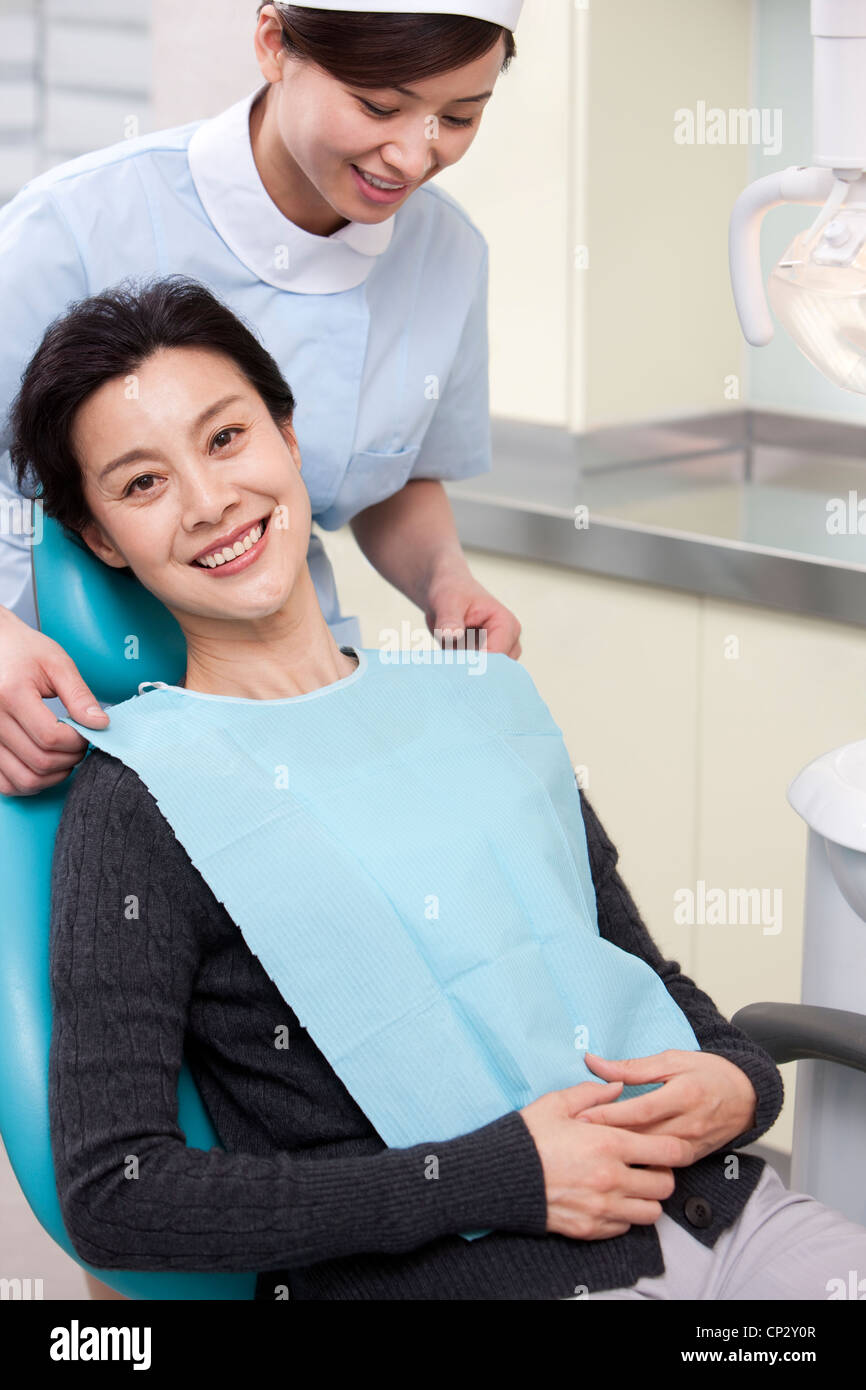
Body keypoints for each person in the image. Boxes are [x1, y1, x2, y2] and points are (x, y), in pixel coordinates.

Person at [18, 278, 866, 1301]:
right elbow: (118, 1189)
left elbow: (638, 975)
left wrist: (738, 1082)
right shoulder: (141, 794)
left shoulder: (480, 701)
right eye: (142, 484)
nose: (208, 502)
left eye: (226, 438)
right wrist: (493, 1177)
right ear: (103, 539)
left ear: (287, 436)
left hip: (728, 1217)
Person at [0, 1, 526, 800]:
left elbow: (397, 473)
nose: (411, 155)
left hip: (285, 712)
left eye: (459, 116)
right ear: (275, 43)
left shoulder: (446, 257)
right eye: (379, 106)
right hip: (50, 713)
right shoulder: (71, 227)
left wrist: (444, 580)